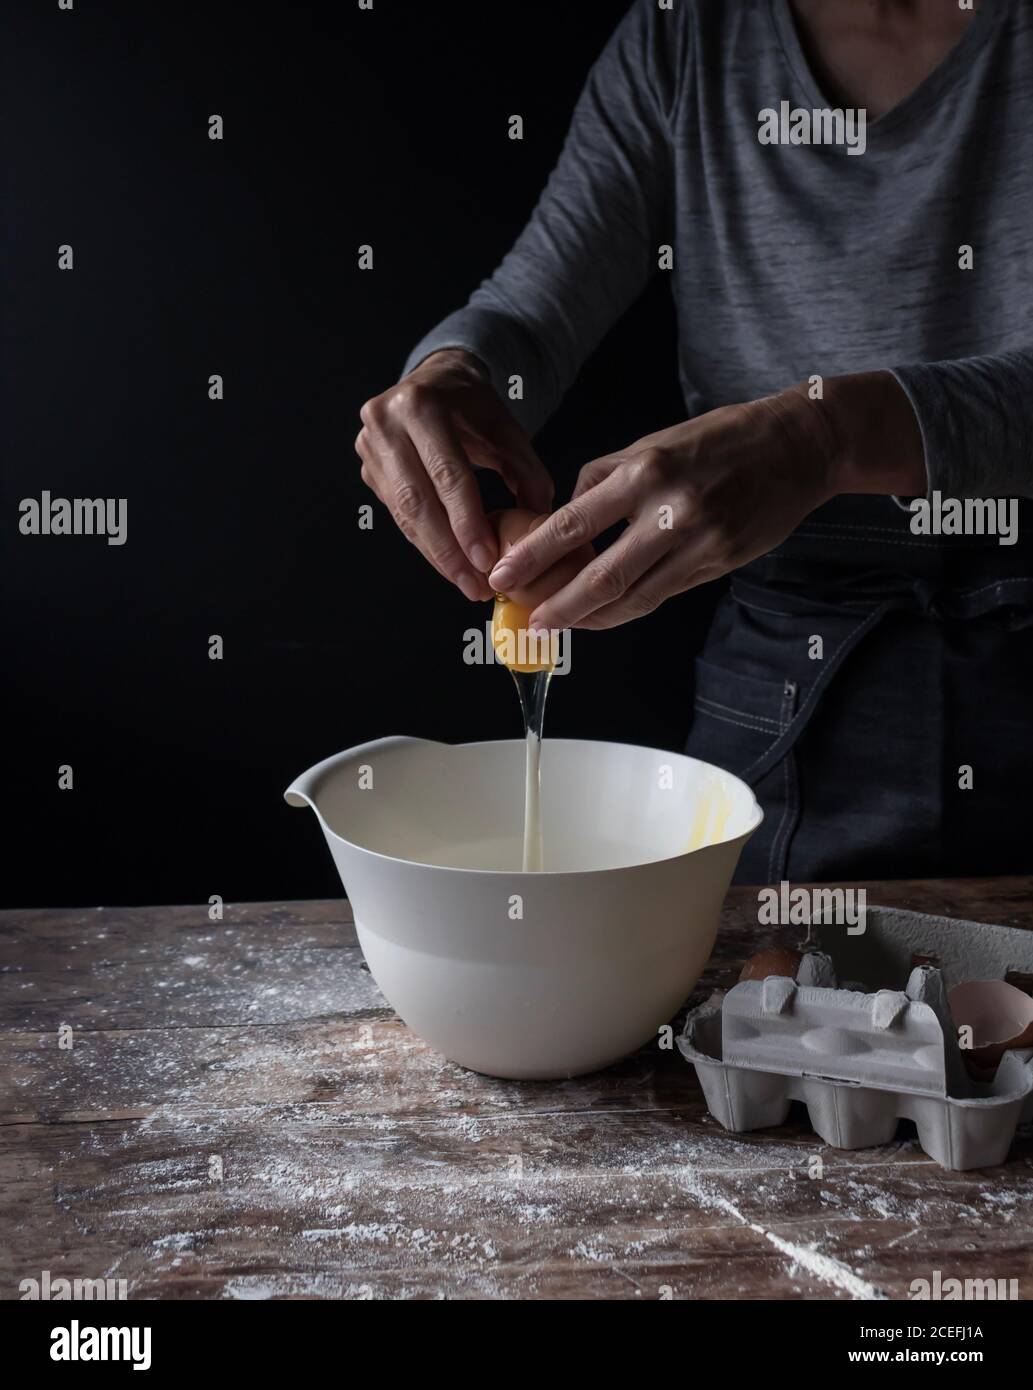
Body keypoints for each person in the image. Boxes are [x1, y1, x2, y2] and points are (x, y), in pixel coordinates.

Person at [356, 0, 1033, 883]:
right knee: (764, 1003)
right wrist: (453, 370)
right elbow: (530, 305)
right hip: (784, 686)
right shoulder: (684, 35)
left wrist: (821, 435)